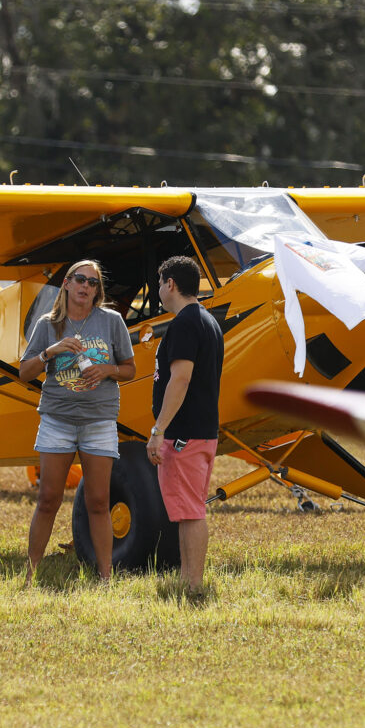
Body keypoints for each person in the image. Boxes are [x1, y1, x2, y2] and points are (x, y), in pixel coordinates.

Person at [19, 259, 135, 581]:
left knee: (99, 501)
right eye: (80, 279)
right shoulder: (47, 324)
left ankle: (105, 578)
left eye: (93, 282)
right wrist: (49, 352)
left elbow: (130, 369)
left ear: (98, 290)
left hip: (99, 421)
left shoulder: (111, 322)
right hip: (57, 420)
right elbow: (23, 371)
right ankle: (29, 575)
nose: (86, 286)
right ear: (66, 284)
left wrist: (108, 369)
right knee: (47, 499)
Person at [146, 255, 222, 596]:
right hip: (203, 431)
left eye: (160, 283)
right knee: (187, 509)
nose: (159, 290)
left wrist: (158, 429)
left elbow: (180, 378)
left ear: (170, 284)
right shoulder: (208, 320)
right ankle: (187, 579)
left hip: (184, 435)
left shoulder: (183, 324)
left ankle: (192, 585)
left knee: (191, 512)